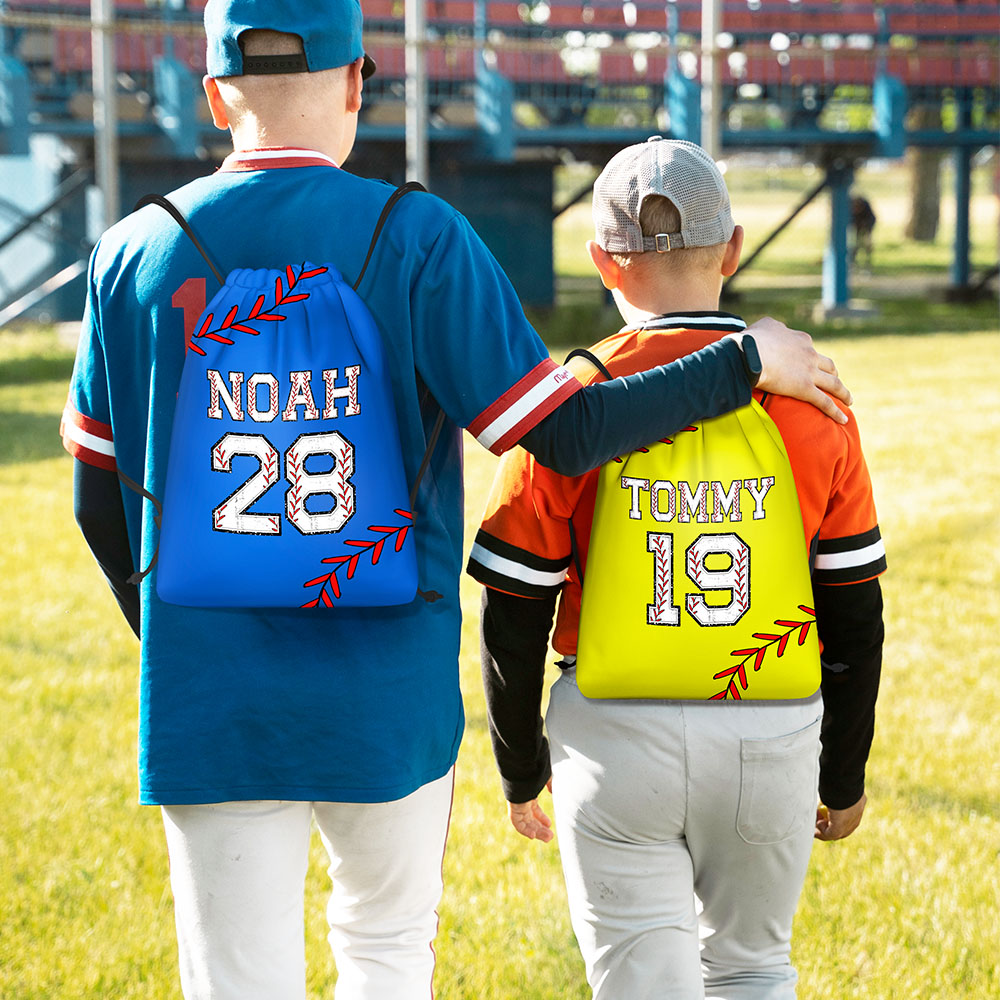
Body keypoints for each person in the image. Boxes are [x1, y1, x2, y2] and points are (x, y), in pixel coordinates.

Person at [60, 0, 853, 993]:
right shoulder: (418, 233)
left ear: (215, 95)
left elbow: (97, 498)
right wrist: (740, 361)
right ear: (358, 83)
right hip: (385, 689)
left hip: (209, 699)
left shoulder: (131, 250)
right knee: (385, 952)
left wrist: (172, 638)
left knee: (235, 978)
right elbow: (565, 433)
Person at [470, 138, 886, 999]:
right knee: (753, 971)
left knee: (639, 984)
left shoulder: (568, 408)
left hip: (612, 735)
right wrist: (842, 771)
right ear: (733, 249)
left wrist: (521, 763)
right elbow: (854, 611)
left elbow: (515, 608)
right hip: (770, 732)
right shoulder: (813, 399)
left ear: (600, 264)